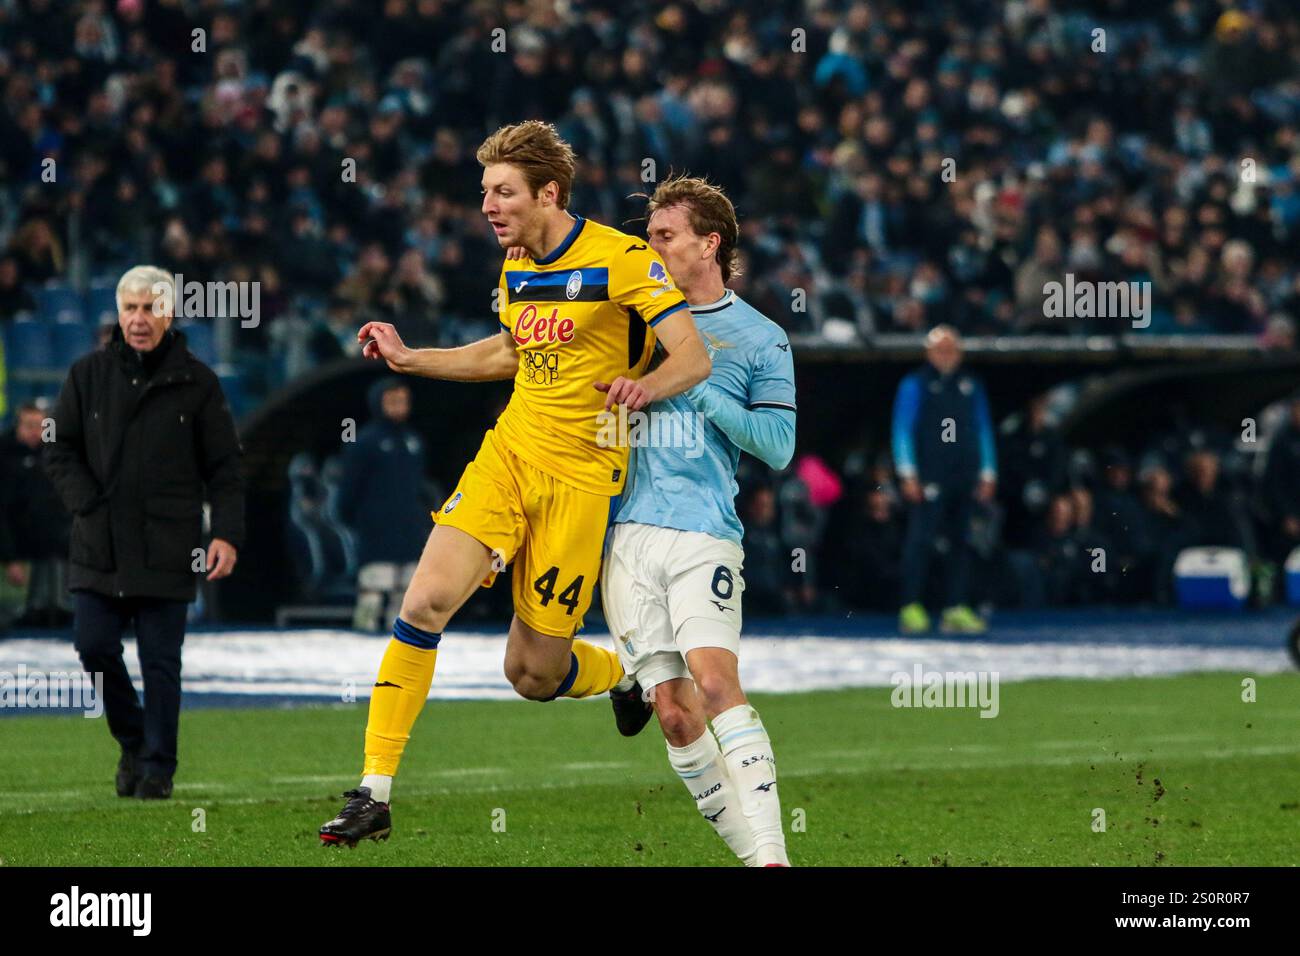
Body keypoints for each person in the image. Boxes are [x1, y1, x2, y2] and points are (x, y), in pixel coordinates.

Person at [319, 121, 710, 846]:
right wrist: (413, 359)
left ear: (549, 194)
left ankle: (622, 672)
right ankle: (372, 791)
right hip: (509, 454)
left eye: (502, 192)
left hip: (583, 480)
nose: (488, 207)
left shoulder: (622, 261)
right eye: (484, 193)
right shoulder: (516, 266)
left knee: (530, 673)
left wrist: (642, 388)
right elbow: (509, 351)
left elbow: (692, 357)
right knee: (427, 597)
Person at [598, 175, 795, 866]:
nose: (650, 249)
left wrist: (698, 382)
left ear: (710, 243)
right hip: (623, 539)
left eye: (665, 237)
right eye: (647, 237)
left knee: (714, 683)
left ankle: (775, 856)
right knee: (675, 713)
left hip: (702, 531)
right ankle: (755, 859)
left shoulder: (759, 337)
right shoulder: (625, 322)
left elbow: (776, 447)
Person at [44, 265, 244, 799]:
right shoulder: (87, 374)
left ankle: (158, 769)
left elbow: (224, 467)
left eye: (150, 308)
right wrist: (85, 502)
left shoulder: (199, 383)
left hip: (168, 545)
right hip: (100, 542)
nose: (139, 319)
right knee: (93, 647)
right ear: (119, 313)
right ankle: (133, 741)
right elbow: (57, 446)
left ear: (170, 313)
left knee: (160, 664)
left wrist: (225, 534)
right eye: (130, 308)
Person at [891, 325, 997, 633]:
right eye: (940, 350)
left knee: (961, 543)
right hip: (929, 477)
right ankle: (911, 606)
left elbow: (982, 429)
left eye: (952, 350)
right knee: (920, 542)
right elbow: (902, 430)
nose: (946, 356)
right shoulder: (915, 384)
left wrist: (988, 471)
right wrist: (907, 472)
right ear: (929, 352)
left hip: (964, 475)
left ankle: (955, 607)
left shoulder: (970, 384)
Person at [334, 378, 431, 631]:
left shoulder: (414, 441)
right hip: (375, 533)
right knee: (373, 592)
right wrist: (353, 520)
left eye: (403, 400)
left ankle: (398, 648)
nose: (399, 406)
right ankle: (363, 640)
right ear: (378, 403)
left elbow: (420, 488)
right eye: (392, 400)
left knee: (407, 597)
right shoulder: (362, 441)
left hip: (409, 533)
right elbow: (349, 490)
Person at [0, 400, 72, 627]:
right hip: (15, 550)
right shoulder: (5, 454)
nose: (35, 432)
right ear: (18, 425)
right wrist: (9, 558)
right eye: (28, 425)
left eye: (40, 425)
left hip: (54, 553)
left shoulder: (56, 456)